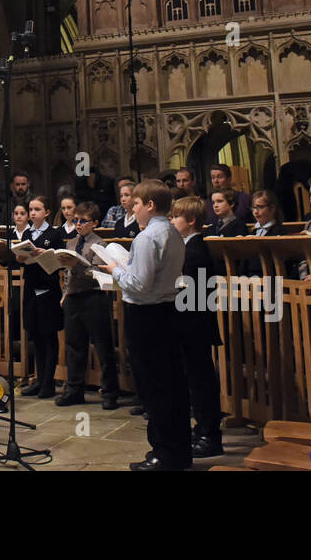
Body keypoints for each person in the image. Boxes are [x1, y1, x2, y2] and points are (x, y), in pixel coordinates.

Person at [96, 180, 191, 470]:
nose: (133, 210)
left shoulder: (148, 237)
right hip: (167, 311)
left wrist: (115, 271)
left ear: (150, 205)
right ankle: (177, 452)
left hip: (147, 317)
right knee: (171, 386)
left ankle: (163, 454)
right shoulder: (173, 232)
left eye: (136, 204)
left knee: (154, 387)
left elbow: (139, 284)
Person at [170, 195, 224, 458]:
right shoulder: (186, 248)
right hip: (189, 325)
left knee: (202, 382)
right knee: (196, 381)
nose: (170, 221)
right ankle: (202, 428)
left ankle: (209, 435)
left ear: (191, 221)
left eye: (175, 217)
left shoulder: (195, 252)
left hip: (194, 326)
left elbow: (190, 294)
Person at [56, 202, 119, 410]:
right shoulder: (71, 243)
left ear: (94, 223)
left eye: (83, 221)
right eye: (75, 221)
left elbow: (99, 273)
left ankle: (110, 392)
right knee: (74, 345)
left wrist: (80, 267)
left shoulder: (99, 244)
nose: (78, 225)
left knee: (102, 345)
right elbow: (66, 273)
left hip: (93, 297)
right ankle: (75, 389)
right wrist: (65, 293)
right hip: (74, 297)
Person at [14, 195, 64, 398]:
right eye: (31, 209)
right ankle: (38, 378)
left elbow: (60, 259)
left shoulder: (54, 233)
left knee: (48, 335)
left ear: (47, 212)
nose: (33, 213)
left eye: (37, 209)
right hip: (31, 288)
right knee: (35, 335)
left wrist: (46, 253)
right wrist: (20, 256)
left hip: (48, 289)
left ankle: (48, 383)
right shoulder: (27, 232)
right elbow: (21, 259)